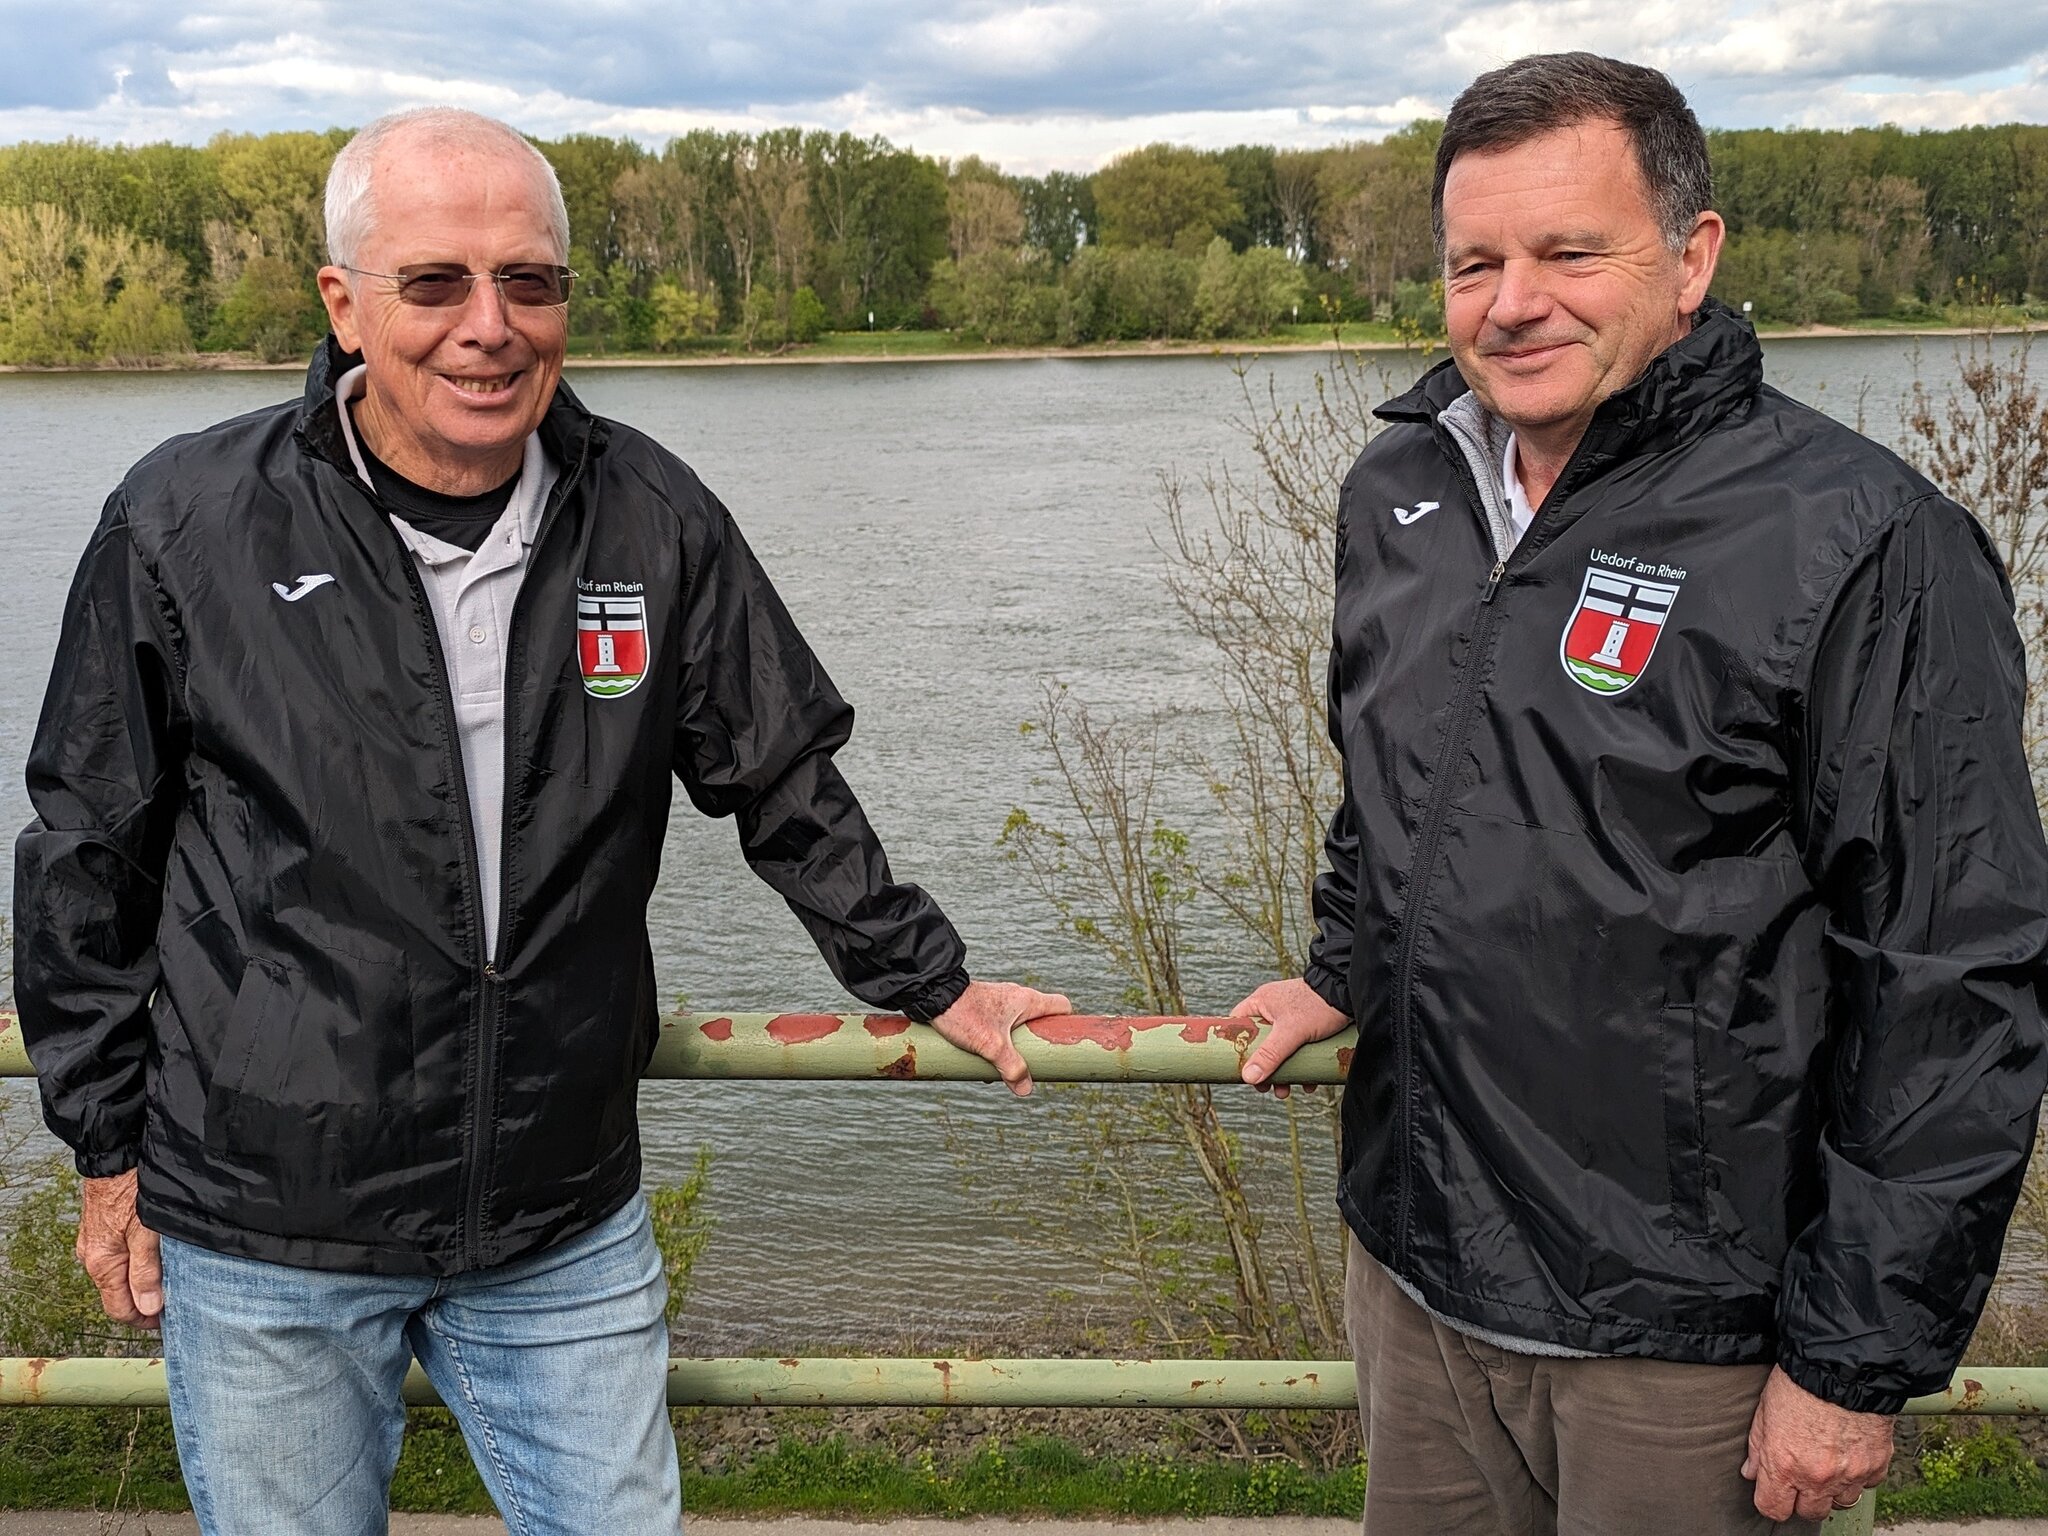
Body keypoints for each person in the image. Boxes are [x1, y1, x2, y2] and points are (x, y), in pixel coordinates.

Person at [12, 107, 1068, 1536]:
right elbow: (89, 850)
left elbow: (785, 781)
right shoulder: (187, 524)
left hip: (557, 1214)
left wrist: (929, 977)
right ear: (343, 303)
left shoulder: (650, 518)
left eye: (531, 281)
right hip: (270, 1219)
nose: (489, 328)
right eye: (436, 282)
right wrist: (103, 1151)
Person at [1231, 52, 2048, 1534]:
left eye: (1567, 251)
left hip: (1684, 1348)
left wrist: (1855, 1363)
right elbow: (1390, 784)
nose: (1511, 300)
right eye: (1474, 261)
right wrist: (1339, 969)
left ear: (1693, 257)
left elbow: (1954, 976)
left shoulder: (1862, 541)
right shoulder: (1403, 493)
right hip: (1416, 1279)